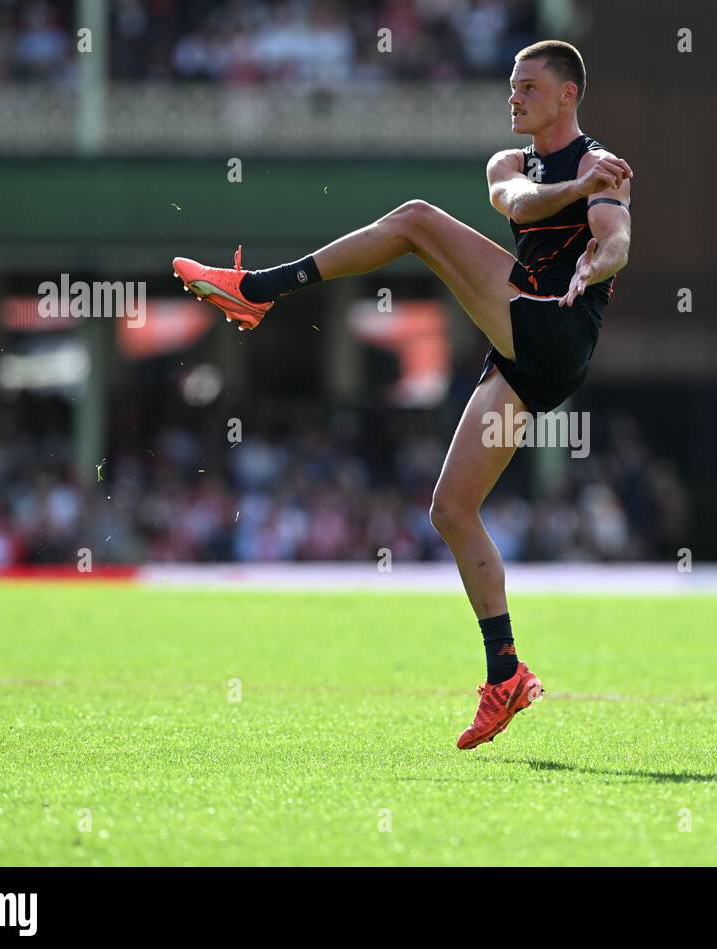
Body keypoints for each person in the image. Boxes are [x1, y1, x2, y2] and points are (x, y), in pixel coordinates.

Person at [171, 40, 633, 745]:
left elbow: (615, 236)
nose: (514, 96)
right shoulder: (512, 164)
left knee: (416, 219)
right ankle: (505, 675)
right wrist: (575, 193)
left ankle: (257, 290)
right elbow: (519, 200)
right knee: (451, 510)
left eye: (529, 87)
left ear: (569, 94)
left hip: (553, 329)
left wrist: (597, 265)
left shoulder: (601, 162)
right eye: (511, 85)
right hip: (528, 350)